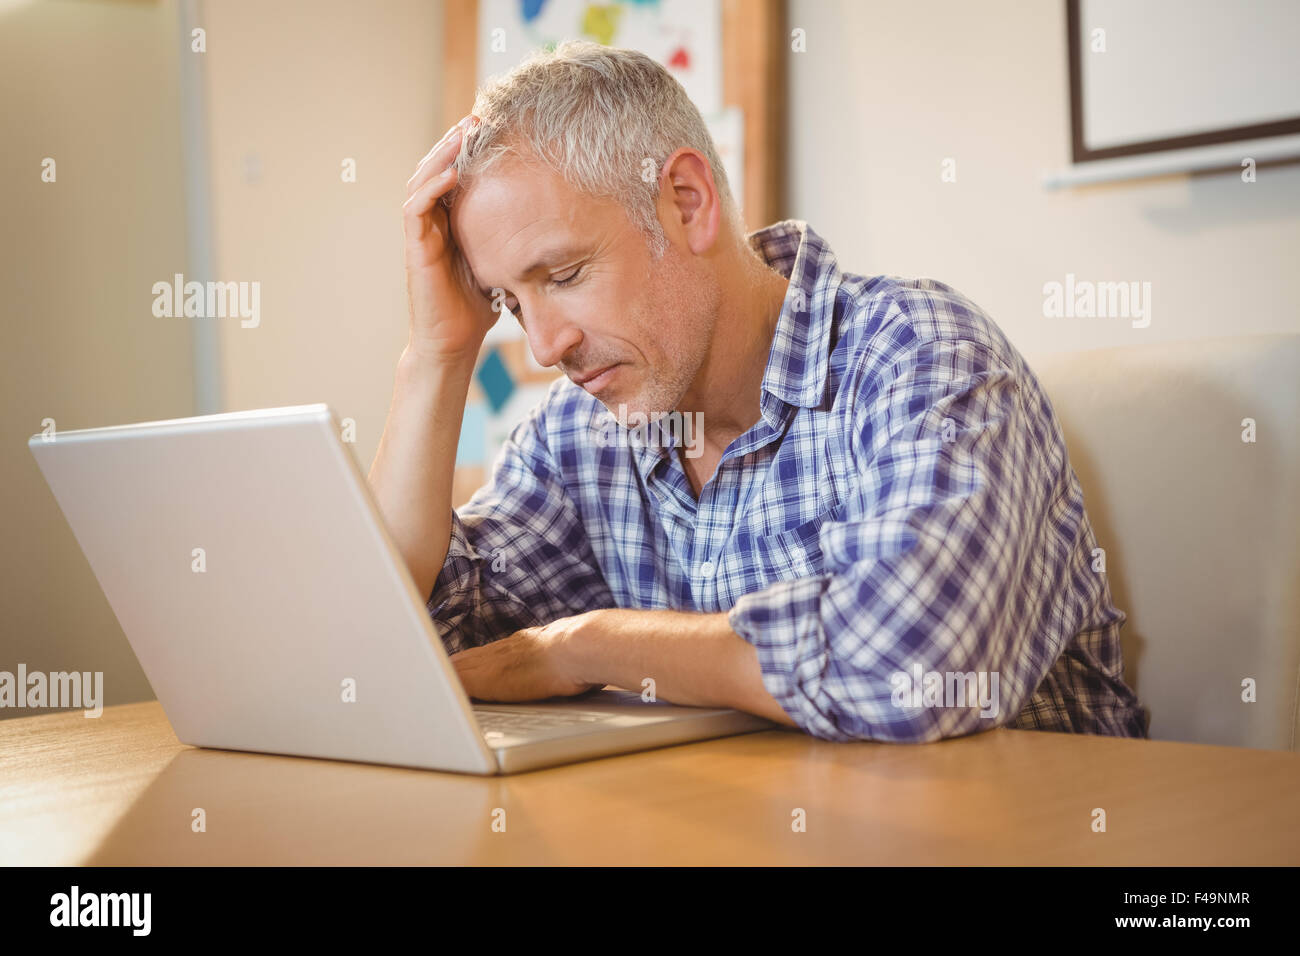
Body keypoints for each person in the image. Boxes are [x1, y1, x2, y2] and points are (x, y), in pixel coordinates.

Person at [368, 40, 1148, 743]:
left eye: (564, 276)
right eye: (510, 303)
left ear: (687, 201)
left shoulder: (917, 353)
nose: (544, 348)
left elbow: (905, 667)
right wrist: (437, 355)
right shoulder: (582, 430)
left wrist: (586, 645)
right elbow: (412, 641)